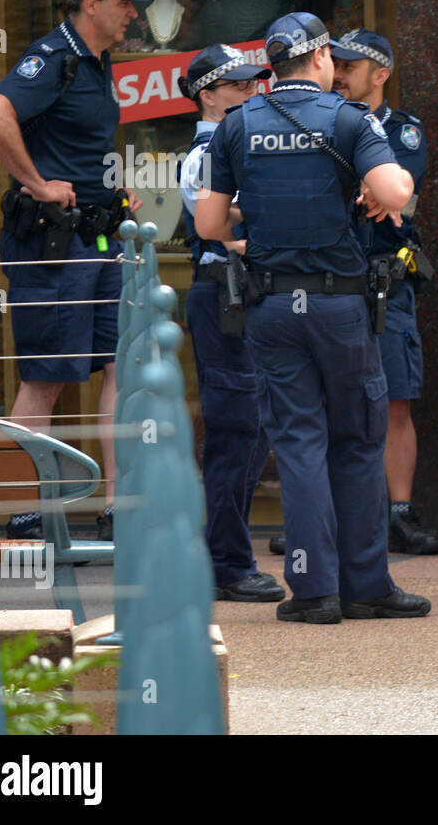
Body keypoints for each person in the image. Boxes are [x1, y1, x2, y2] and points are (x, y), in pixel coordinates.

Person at [194, 12, 430, 624]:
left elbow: (210, 226)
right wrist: (388, 182)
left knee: (297, 442)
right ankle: (366, 586)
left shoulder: (239, 125)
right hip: (340, 306)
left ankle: (312, 591)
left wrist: (263, 213)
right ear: (321, 57)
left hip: (272, 306)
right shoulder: (350, 120)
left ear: (274, 63)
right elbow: (398, 194)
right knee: (356, 441)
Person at [0, 0, 150, 541]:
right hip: (54, 245)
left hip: (95, 236)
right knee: (46, 378)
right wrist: (37, 184)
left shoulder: (96, 63)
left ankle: (116, 507)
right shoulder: (55, 56)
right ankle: (26, 513)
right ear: (91, 3)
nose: (134, 13)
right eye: (125, 3)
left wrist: (109, 194)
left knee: (116, 369)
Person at [175, 44, 283, 602]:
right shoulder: (204, 153)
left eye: (254, 84)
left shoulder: (238, 144)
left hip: (245, 295)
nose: (251, 93)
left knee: (252, 429)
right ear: (206, 94)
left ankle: (228, 556)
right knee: (235, 431)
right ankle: (226, 563)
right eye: (238, 86)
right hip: (223, 294)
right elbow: (215, 226)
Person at [330, 28, 438, 555]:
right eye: (335, 63)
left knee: (397, 399)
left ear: (380, 74)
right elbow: (365, 191)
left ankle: (399, 512)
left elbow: (398, 187)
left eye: (350, 66)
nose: (338, 73)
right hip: (332, 277)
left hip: (387, 280)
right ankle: (327, 515)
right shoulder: (321, 119)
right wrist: (371, 189)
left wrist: (371, 190)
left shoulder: (405, 130)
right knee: (331, 400)